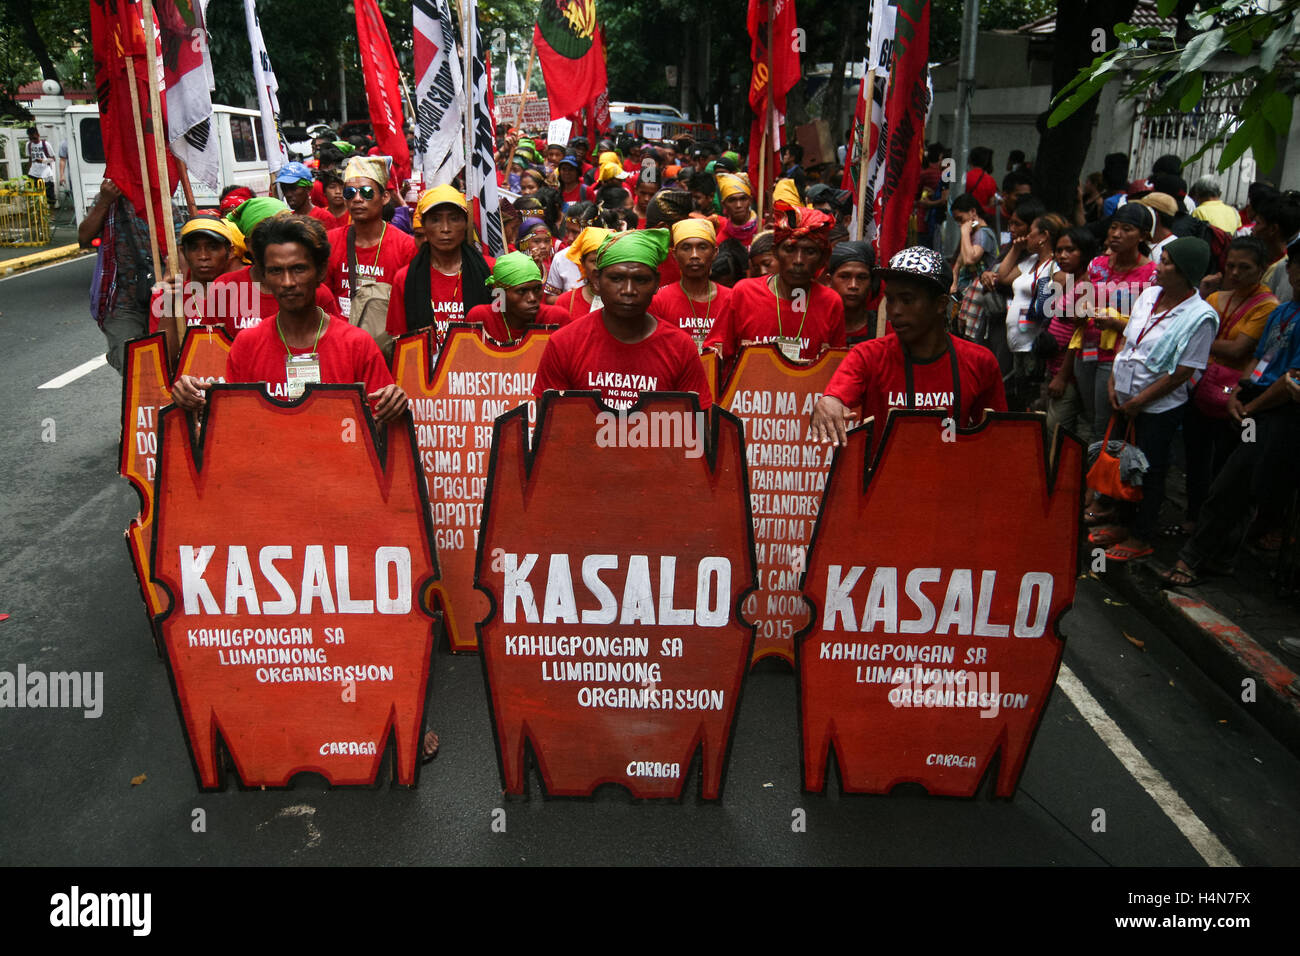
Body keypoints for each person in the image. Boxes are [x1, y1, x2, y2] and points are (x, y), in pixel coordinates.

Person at [170, 214, 407, 419]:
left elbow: (380, 422)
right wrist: (190, 396)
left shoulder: (357, 345)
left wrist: (394, 404)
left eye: (298, 269)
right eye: (276, 271)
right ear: (264, 275)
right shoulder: (247, 345)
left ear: (321, 271)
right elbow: (232, 422)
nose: (287, 283)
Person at [1094, 238, 1218, 562]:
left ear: (1185, 272)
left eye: (1166, 263)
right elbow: (1128, 340)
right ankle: (1121, 522)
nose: (1158, 267)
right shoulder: (1149, 295)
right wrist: (1113, 380)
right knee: (1123, 462)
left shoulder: (1200, 317)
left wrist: (1140, 401)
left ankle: (1141, 535)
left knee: (1149, 469)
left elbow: (1181, 373)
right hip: (1124, 398)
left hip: (1158, 407)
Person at [811, 246, 1006, 451]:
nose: (895, 311)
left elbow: (998, 439)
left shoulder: (980, 362)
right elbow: (835, 397)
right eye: (891, 299)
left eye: (907, 300)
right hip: (884, 482)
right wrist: (829, 403)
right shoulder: (867, 356)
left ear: (940, 304)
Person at [533, 229, 713, 409]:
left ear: (656, 283)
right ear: (596, 280)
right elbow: (549, 430)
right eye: (616, 278)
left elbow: (696, 429)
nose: (628, 290)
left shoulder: (680, 348)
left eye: (641, 280)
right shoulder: (564, 344)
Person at [1181, 237, 1278, 532]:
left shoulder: (1267, 305)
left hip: (1234, 396)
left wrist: (1196, 340)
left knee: (1224, 462)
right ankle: (1193, 517)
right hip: (1199, 387)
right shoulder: (1215, 297)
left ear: (1261, 269)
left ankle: (1215, 528)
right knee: (1195, 457)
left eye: (1244, 267)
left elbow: (1239, 350)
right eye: (1231, 265)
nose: (1235, 273)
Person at [703, 204, 846, 364]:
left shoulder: (831, 303)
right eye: (790, 249)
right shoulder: (744, 293)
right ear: (776, 251)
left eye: (810, 252)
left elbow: (835, 368)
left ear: (823, 258)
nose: (798, 260)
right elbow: (713, 357)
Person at [1073, 201, 1159, 465]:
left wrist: (1115, 323)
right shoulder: (1097, 265)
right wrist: (1082, 308)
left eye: (1126, 229)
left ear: (1143, 236)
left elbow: (1148, 326)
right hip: (1085, 349)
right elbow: (1077, 303)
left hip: (1116, 357)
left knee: (1104, 424)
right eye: (1113, 227)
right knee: (1089, 416)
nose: (1116, 234)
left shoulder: (1152, 274)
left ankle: (1098, 489)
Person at [386, 185, 493, 346]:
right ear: (424, 225)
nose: (445, 229)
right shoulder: (405, 278)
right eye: (435, 220)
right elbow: (400, 340)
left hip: (478, 367)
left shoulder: (491, 271)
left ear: (466, 223)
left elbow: (503, 330)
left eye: (454, 219)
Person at [209, 199, 336, 335]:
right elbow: (210, 345)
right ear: (250, 244)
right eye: (266, 237)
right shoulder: (225, 287)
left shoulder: (316, 292)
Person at [324, 157, 417, 333]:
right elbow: (323, 298)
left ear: (385, 197)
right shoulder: (330, 242)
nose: (357, 199)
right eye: (350, 193)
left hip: (386, 343)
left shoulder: (406, 246)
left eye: (366, 192)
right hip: (341, 339)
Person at [79, 179, 157, 373]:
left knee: (165, 361)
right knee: (133, 364)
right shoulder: (107, 201)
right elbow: (84, 237)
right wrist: (105, 201)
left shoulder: (160, 199)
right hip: (121, 302)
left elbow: (181, 247)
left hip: (160, 298)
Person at [147, 215, 243, 351]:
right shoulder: (166, 295)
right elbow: (163, 360)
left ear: (230, 251)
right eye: (194, 248)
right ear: (183, 252)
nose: (203, 256)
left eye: (213, 247)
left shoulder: (246, 292)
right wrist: (170, 306)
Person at [1041, 226, 1098, 439]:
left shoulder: (1087, 285)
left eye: (1070, 250)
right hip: (1056, 367)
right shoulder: (1073, 280)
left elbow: (1080, 334)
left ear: (1084, 251)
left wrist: (1063, 376)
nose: (1062, 256)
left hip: (1070, 373)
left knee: (1057, 430)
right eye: (1058, 250)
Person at [649, 219, 733, 350]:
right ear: (675, 254)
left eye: (702, 247)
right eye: (686, 248)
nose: (694, 255)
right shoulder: (659, 300)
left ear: (715, 252)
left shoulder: (731, 299)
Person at [464, 252, 569, 343]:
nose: (532, 298)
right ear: (499, 293)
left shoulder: (556, 318)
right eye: (522, 291)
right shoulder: (481, 318)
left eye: (537, 289)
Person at [825, 241, 877, 343]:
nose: (853, 285)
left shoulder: (884, 329)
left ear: (871, 282)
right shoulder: (815, 324)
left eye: (862, 277)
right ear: (829, 281)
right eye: (844, 277)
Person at [714, 172, 758, 248]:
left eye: (743, 199)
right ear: (724, 205)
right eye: (732, 200)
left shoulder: (764, 228)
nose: (738, 205)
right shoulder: (721, 241)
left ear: (750, 200)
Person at [25, 126, 55, 204]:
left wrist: (43, 161)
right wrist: (28, 173)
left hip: (46, 173)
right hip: (33, 173)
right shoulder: (28, 145)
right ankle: (39, 214)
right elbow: (30, 159)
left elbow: (53, 159)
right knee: (34, 196)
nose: (33, 140)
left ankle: (51, 215)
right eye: (30, 139)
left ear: (38, 135)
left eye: (34, 138)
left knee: (50, 196)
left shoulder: (46, 144)